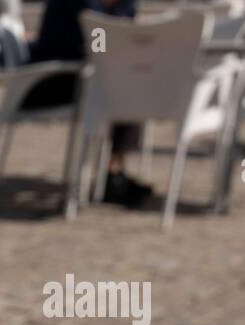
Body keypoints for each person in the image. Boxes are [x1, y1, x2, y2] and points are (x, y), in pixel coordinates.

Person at [23, 0, 150, 207]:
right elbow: (87, 45)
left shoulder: (123, 5)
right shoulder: (77, 5)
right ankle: (111, 174)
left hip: (89, 77)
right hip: (52, 81)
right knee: (126, 88)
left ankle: (112, 172)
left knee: (131, 87)